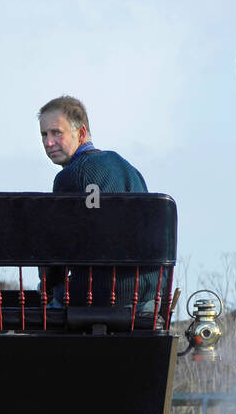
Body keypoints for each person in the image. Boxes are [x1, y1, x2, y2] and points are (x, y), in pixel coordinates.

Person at [37, 96, 155, 311]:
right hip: (148, 296)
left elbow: (56, 248)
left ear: (81, 133)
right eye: (44, 134)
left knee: (44, 310)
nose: (48, 142)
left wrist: (47, 286)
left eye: (57, 133)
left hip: (98, 295)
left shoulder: (70, 177)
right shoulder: (129, 170)